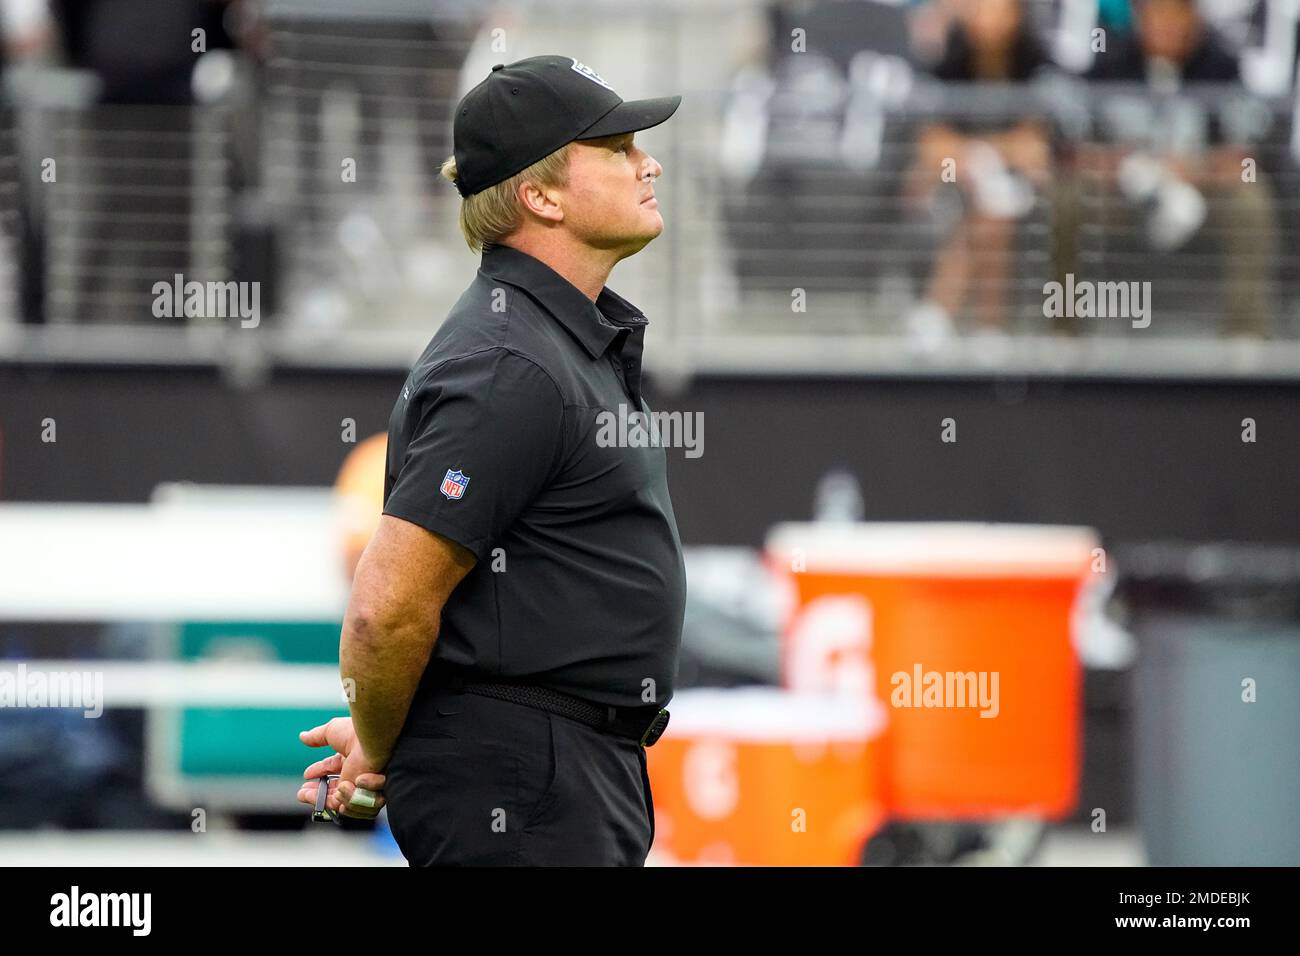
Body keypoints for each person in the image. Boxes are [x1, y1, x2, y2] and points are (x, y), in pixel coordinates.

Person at [296, 55, 686, 866]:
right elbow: (384, 608)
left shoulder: (547, 343)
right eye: (615, 147)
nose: (648, 162)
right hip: (528, 781)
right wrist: (377, 740)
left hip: (555, 772)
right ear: (539, 195)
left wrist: (385, 734)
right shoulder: (509, 364)